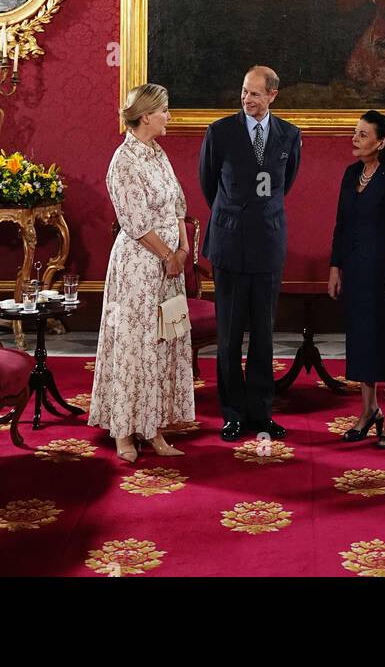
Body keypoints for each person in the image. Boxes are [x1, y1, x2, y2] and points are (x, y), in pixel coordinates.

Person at [89, 83, 195, 463]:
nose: (169, 116)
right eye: (164, 110)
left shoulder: (157, 153)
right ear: (146, 116)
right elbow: (135, 223)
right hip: (139, 267)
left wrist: (183, 251)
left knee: (163, 345)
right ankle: (124, 432)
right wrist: (168, 254)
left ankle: (154, 428)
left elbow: (178, 205)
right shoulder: (124, 161)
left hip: (169, 267)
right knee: (135, 347)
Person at [199, 65, 301, 441]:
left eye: (255, 93)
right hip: (228, 244)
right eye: (244, 91)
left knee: (263, 334)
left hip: (268, 246)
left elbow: (283, 185)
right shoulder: (220, 132)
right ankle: (233, 414)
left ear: (273, 95)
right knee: (228, 336)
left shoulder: (289, 135)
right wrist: (233, 217)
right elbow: (209, 184)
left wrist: (259, 217)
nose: (247, 99)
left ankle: (261, 412)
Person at [328, 111, 385, 448]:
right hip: (355, 271)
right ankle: (369, 410)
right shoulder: (351, 173)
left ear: (381, 142)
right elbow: (341, 224)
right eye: (355, 132)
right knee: (361, 340)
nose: (355, 139)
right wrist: (335, 267)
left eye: (363, 134)